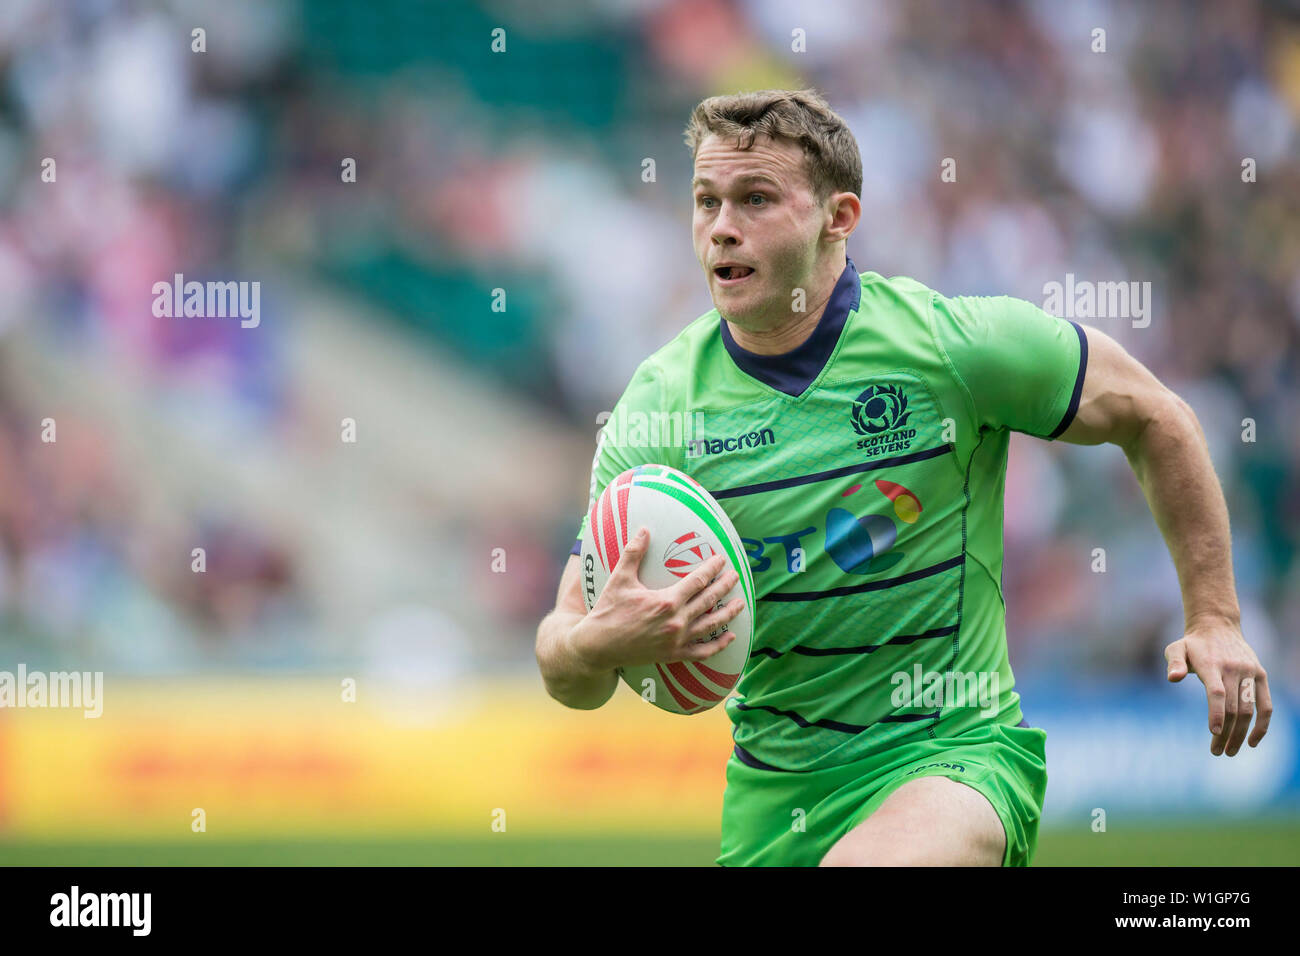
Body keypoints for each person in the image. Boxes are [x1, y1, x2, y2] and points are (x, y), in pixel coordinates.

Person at [534, 89, 1271, 866]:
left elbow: (1155, 415)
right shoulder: (659, 408)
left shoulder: (950, 347)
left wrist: (1215, 615)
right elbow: (564, 660)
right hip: (774, 797)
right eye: (706, 200)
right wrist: (594, 645)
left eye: (755, 199)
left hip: (952, 755)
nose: (722, 226)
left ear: (839, 217)